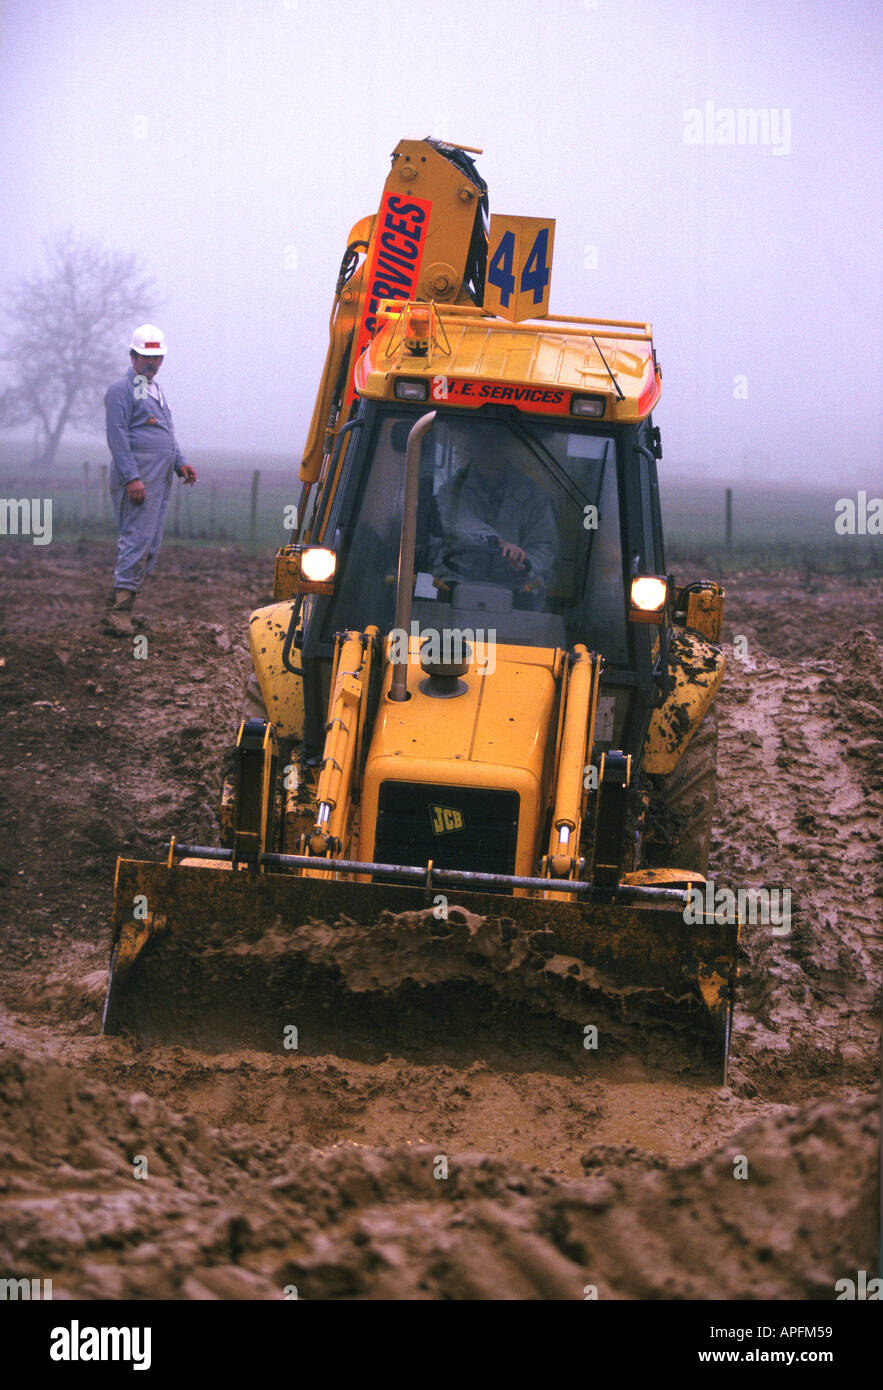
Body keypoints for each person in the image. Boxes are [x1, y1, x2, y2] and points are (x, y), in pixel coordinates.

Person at [103, 324, 197, 634]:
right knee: (137, 540)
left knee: (151, 544)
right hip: (139, 479)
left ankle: (122, 605)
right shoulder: (121, 390)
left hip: (159, 480)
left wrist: (180, 462)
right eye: (145, 356)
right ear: (132, 356)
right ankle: (118, 613)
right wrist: (132, 477)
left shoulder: (156, 390)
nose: (151, 363)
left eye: (156, 357)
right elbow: (116, 435)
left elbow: (165, 433)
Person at [430, 421, 555, 602]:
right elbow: (459, 526)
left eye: (497, 441)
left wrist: (525, 563)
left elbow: (545, 545)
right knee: (426, 587)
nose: (490, 448)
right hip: (456, 577)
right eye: (483, 440)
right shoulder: (453, 490)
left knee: (533, 591)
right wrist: (499, 544)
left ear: (507, 448)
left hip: (513, 584)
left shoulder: (534, 496)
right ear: (472, 447)